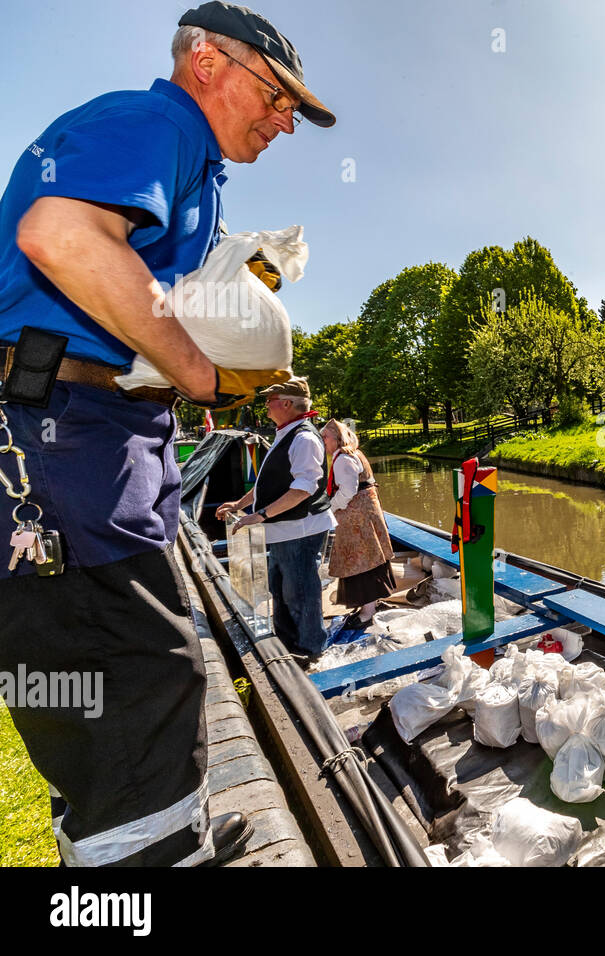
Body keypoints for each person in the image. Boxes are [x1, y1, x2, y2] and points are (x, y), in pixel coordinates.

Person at [0, 2, 334, 866]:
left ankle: (153, 834)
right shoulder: (161, 123)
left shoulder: (197, 172)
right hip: (58, 439)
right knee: (138, 676)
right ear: (208, 60)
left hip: (94, 434)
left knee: (102, 689)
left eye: (294, 109)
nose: (284, 119)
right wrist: (195, 369)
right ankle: (145, 860)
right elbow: (59, 233)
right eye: (276, 93)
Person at [216, 378, 335, 659]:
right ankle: (287, 643)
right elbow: (269, 483)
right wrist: (240, 503)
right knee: (280, 589)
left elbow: (304, 489)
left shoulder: (304, 438)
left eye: (271, 400)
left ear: (286, 404)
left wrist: (260, 515)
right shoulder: (288, 432)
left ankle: (311, 649)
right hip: (284, 529)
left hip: (300, 529)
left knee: (301, 591)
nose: (266, 405)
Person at [320, 418, 396, 629]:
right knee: (369, 558)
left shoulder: (344, 459)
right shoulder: (349, 454)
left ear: (336, 439)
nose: (322, 440)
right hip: (363, 515)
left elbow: (347, 492)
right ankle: (370, 606)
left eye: (325, 436)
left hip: (358, 519)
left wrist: (330, 508)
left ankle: (367, 613)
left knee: (362, 561)